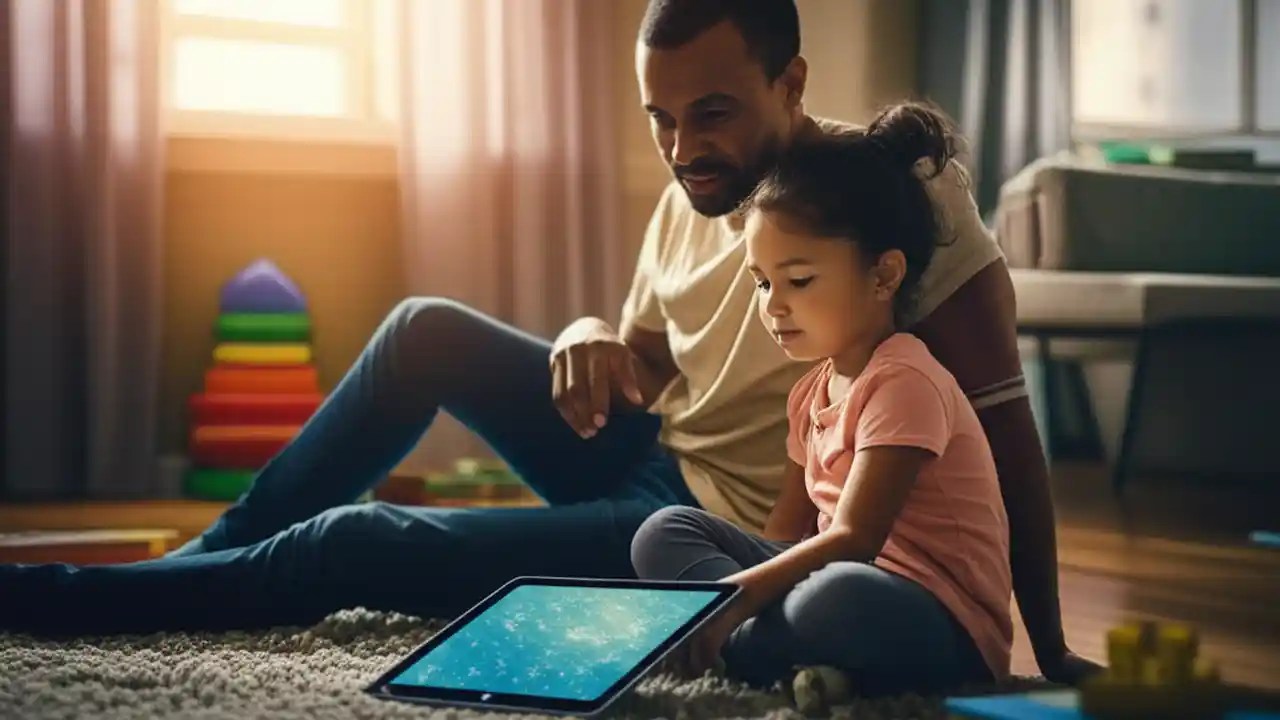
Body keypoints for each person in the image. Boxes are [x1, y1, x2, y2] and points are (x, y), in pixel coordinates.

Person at [1, 0, 1096, 686]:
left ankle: (60, 605)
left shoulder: (891, 200)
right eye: (658, 120)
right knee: (423, 329)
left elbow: (1005, 425)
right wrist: (586, 333)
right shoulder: (700, 191)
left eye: (708, 113)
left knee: (357, 545)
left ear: (790, 82)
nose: (679, 148)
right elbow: (648, 355)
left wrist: (1044, 651)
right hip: (647, 450)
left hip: (703, 525)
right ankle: (206, 564)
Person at [632, 103, 1009, 700]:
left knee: (835, 596)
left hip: (936, 623)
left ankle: (726, 643)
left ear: (884, 276)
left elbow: (856, 536)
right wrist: (749, 586)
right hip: (841, 581)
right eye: (762, 282)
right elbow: (790, 537)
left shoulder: (905, 378)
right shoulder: (811, 392)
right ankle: (756, 651)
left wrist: (736, 597)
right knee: (663, 531)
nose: (774, 305)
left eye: (799, 281)